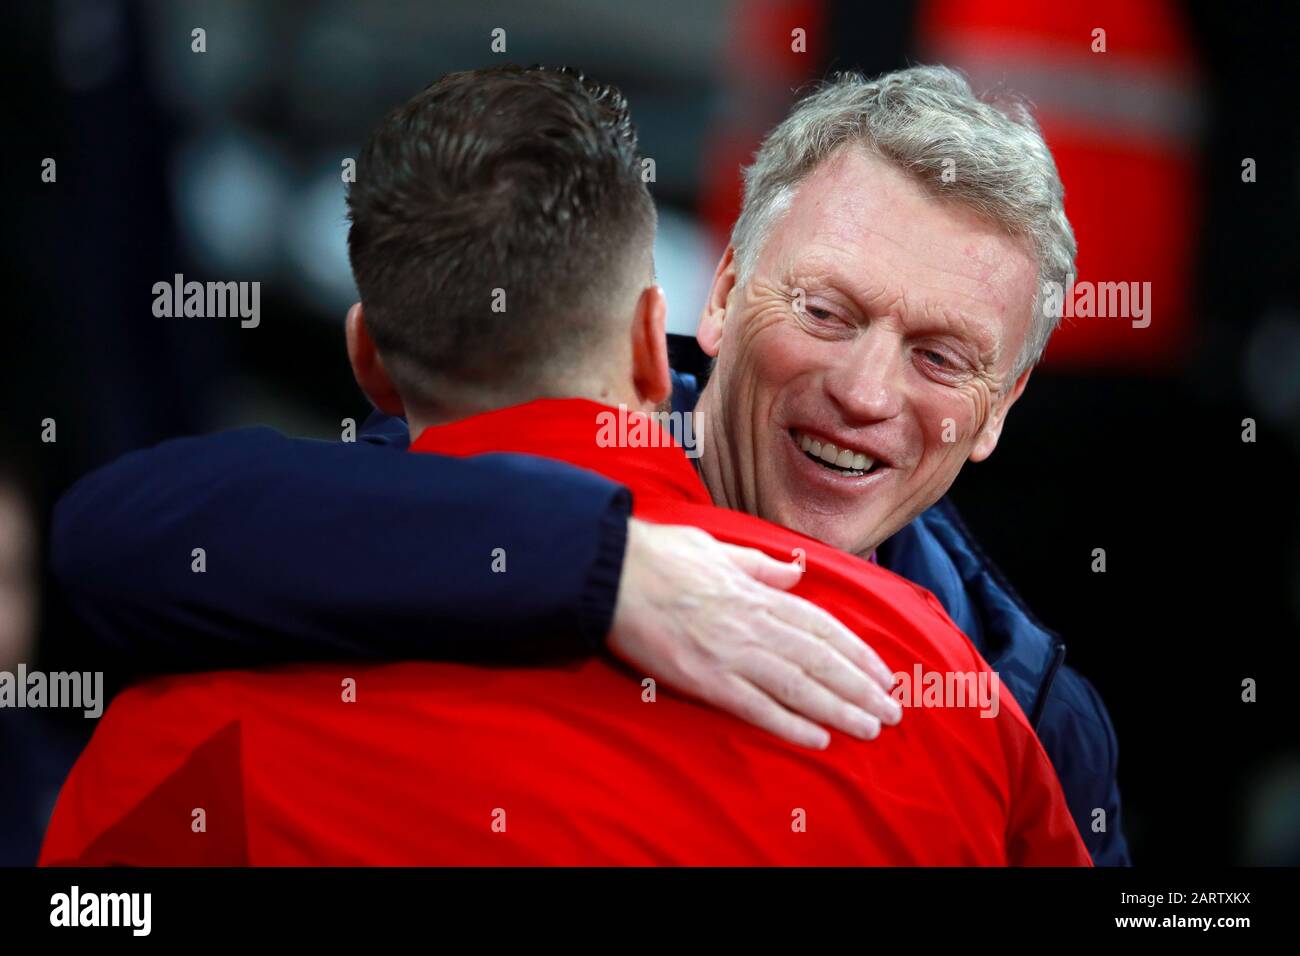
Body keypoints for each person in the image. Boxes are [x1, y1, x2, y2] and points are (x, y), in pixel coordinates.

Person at [50, 65, 1127, 863]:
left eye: (941, 357)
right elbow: (116, 539)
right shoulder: (460, 486)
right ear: (714, 296)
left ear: (1000, 406)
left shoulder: (1023, 707)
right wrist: (597, 563)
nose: (868, 392)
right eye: (825, 312)